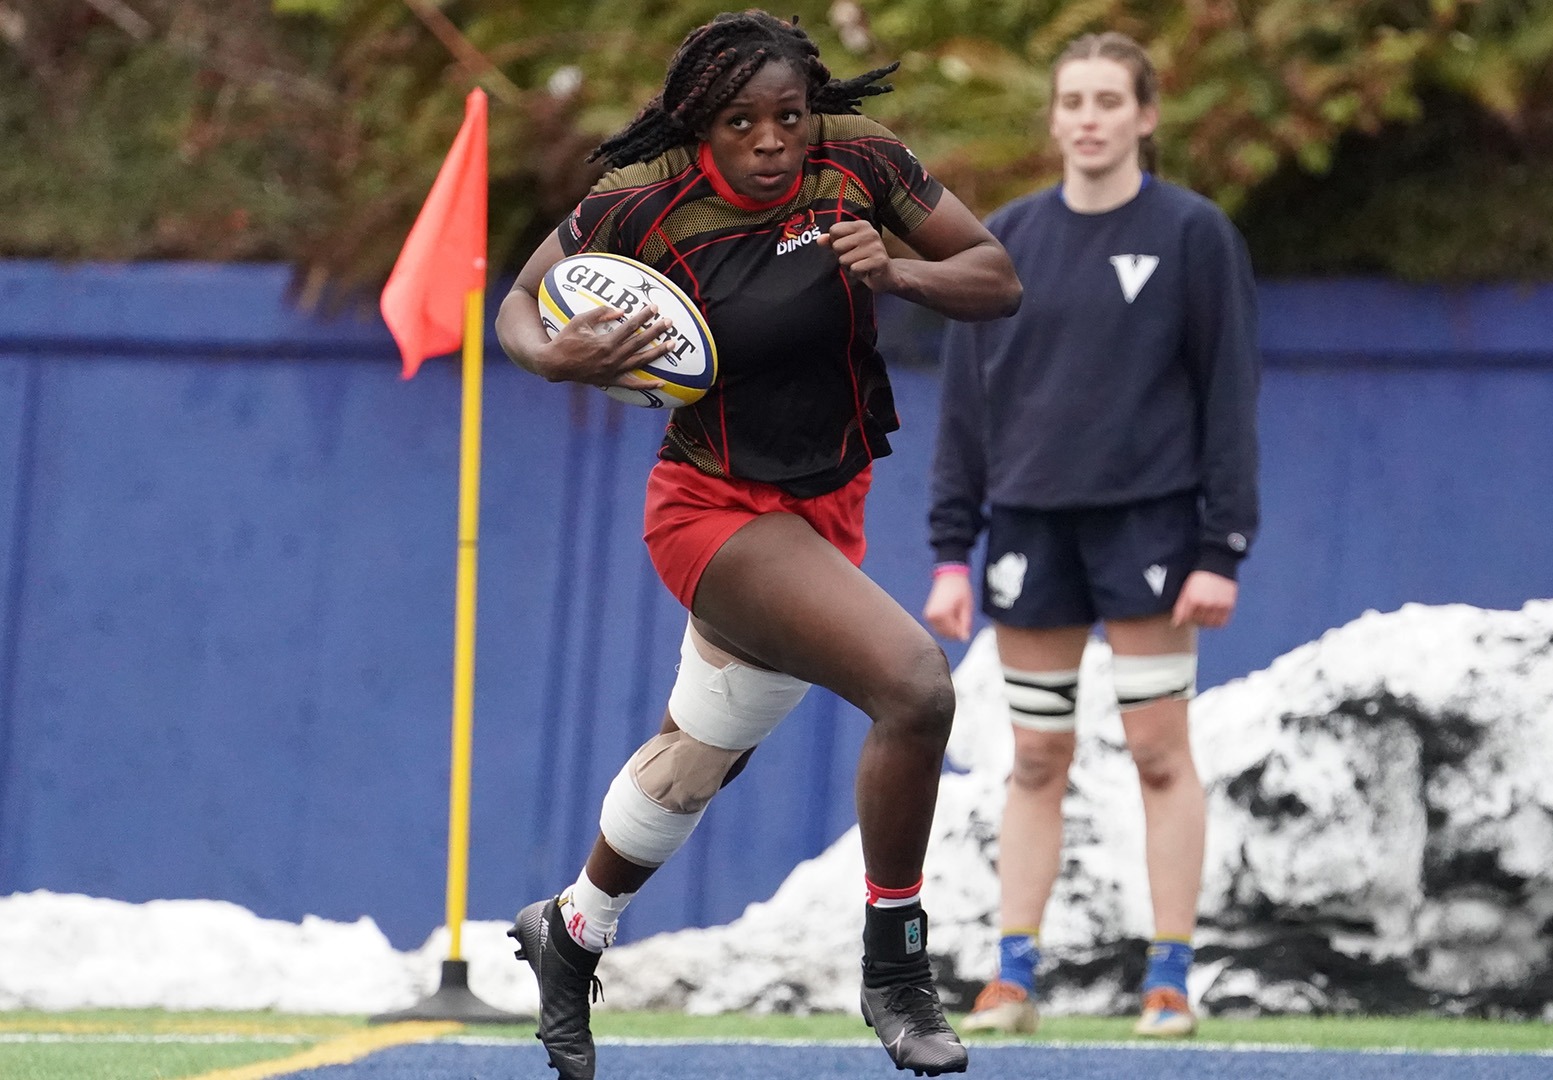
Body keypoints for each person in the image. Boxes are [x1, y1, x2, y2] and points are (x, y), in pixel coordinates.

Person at [494, 12, 1020, 1079]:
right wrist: (556, 357)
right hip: (712, 514)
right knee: (916, 687)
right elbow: (517, 303)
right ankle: (898, 974)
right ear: (700, 127)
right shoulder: (639, 207)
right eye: (742, 122)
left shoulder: (860, 165)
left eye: (788, 115)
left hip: (826, 511)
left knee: (695, 759)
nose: (773, 139)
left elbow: (996, 277)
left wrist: (900, 274)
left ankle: (573, 929)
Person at [921, 31, 1259, 1040]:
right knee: (1035, 757)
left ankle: (1168, 979)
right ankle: (1011, 978)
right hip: (1028, 530)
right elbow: (964, 410)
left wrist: (1222, 547)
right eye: (1073, 100)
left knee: (1160, 750)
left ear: (1146, 116)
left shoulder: (1196, 235)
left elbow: (1229, 395)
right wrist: (951, 550)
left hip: (1152, 527)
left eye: (1110, 99)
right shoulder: (1003, 240)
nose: (1089, 117)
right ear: (1055, 116)